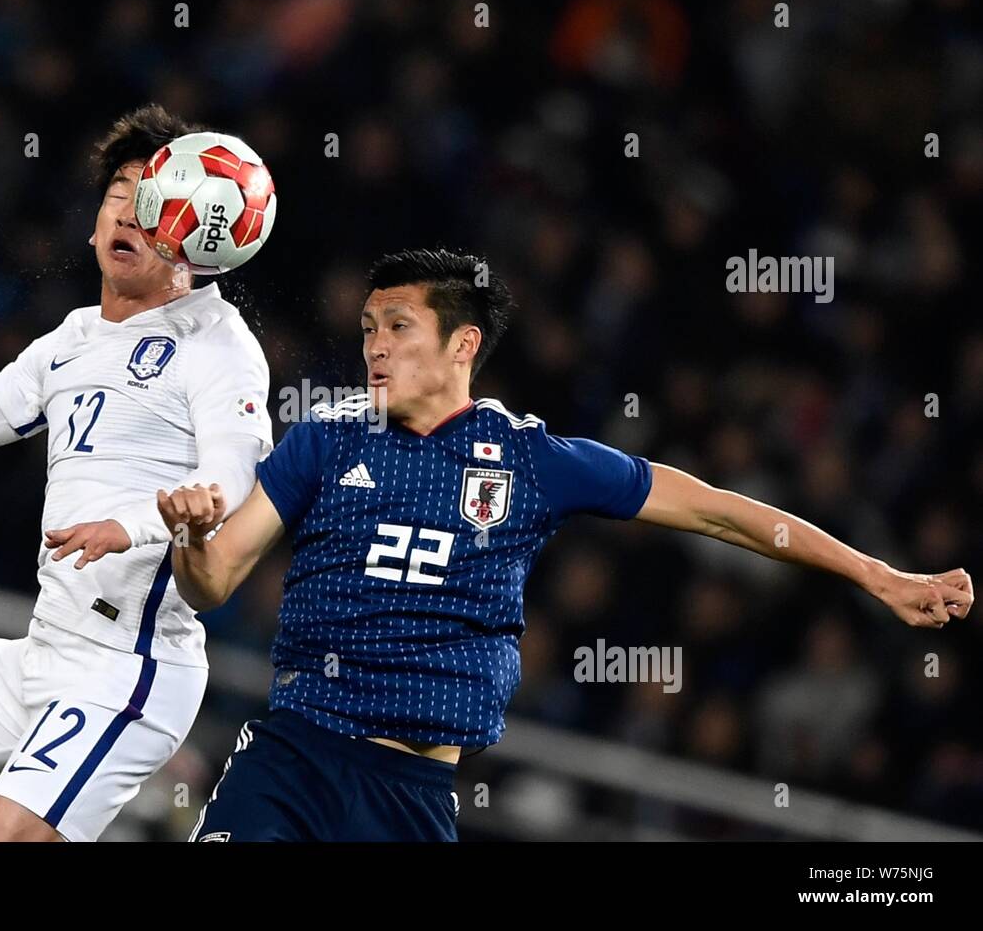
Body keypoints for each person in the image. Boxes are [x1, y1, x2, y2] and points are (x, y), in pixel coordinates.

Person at [148, 247, 972, 841]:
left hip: (412, 790)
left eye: (398, 325)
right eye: (368, 327)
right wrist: (190, 538)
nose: (375, 345)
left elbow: (718, 512)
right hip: (291, 755)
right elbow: (214, 581)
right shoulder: (327, 441)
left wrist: (876, 574)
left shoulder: (531, 461)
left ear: (462, 345)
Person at [0, 105, 273, 842]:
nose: (129, 212)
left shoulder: (217, 344)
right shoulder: (72, 338)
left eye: (153, 200)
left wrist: (129, 526)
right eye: (117, 194)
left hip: (128, 671)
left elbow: (226, 483)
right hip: (48, 649)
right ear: (95, 224)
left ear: (191, 232)